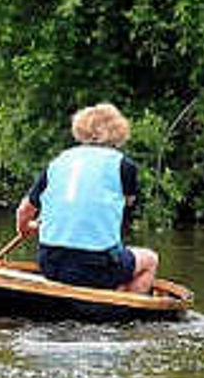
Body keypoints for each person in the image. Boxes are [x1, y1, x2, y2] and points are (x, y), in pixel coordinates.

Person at [14, 103, 158, 294]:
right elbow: (128, 204)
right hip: (94, 266)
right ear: (118, 131)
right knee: (150, 259)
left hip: (50, 264)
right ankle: (123, 316)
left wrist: (25, 228)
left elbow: (25, 210)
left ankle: (111, 292)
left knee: (110, 262)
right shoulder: (124, 165)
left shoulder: (58, 161)